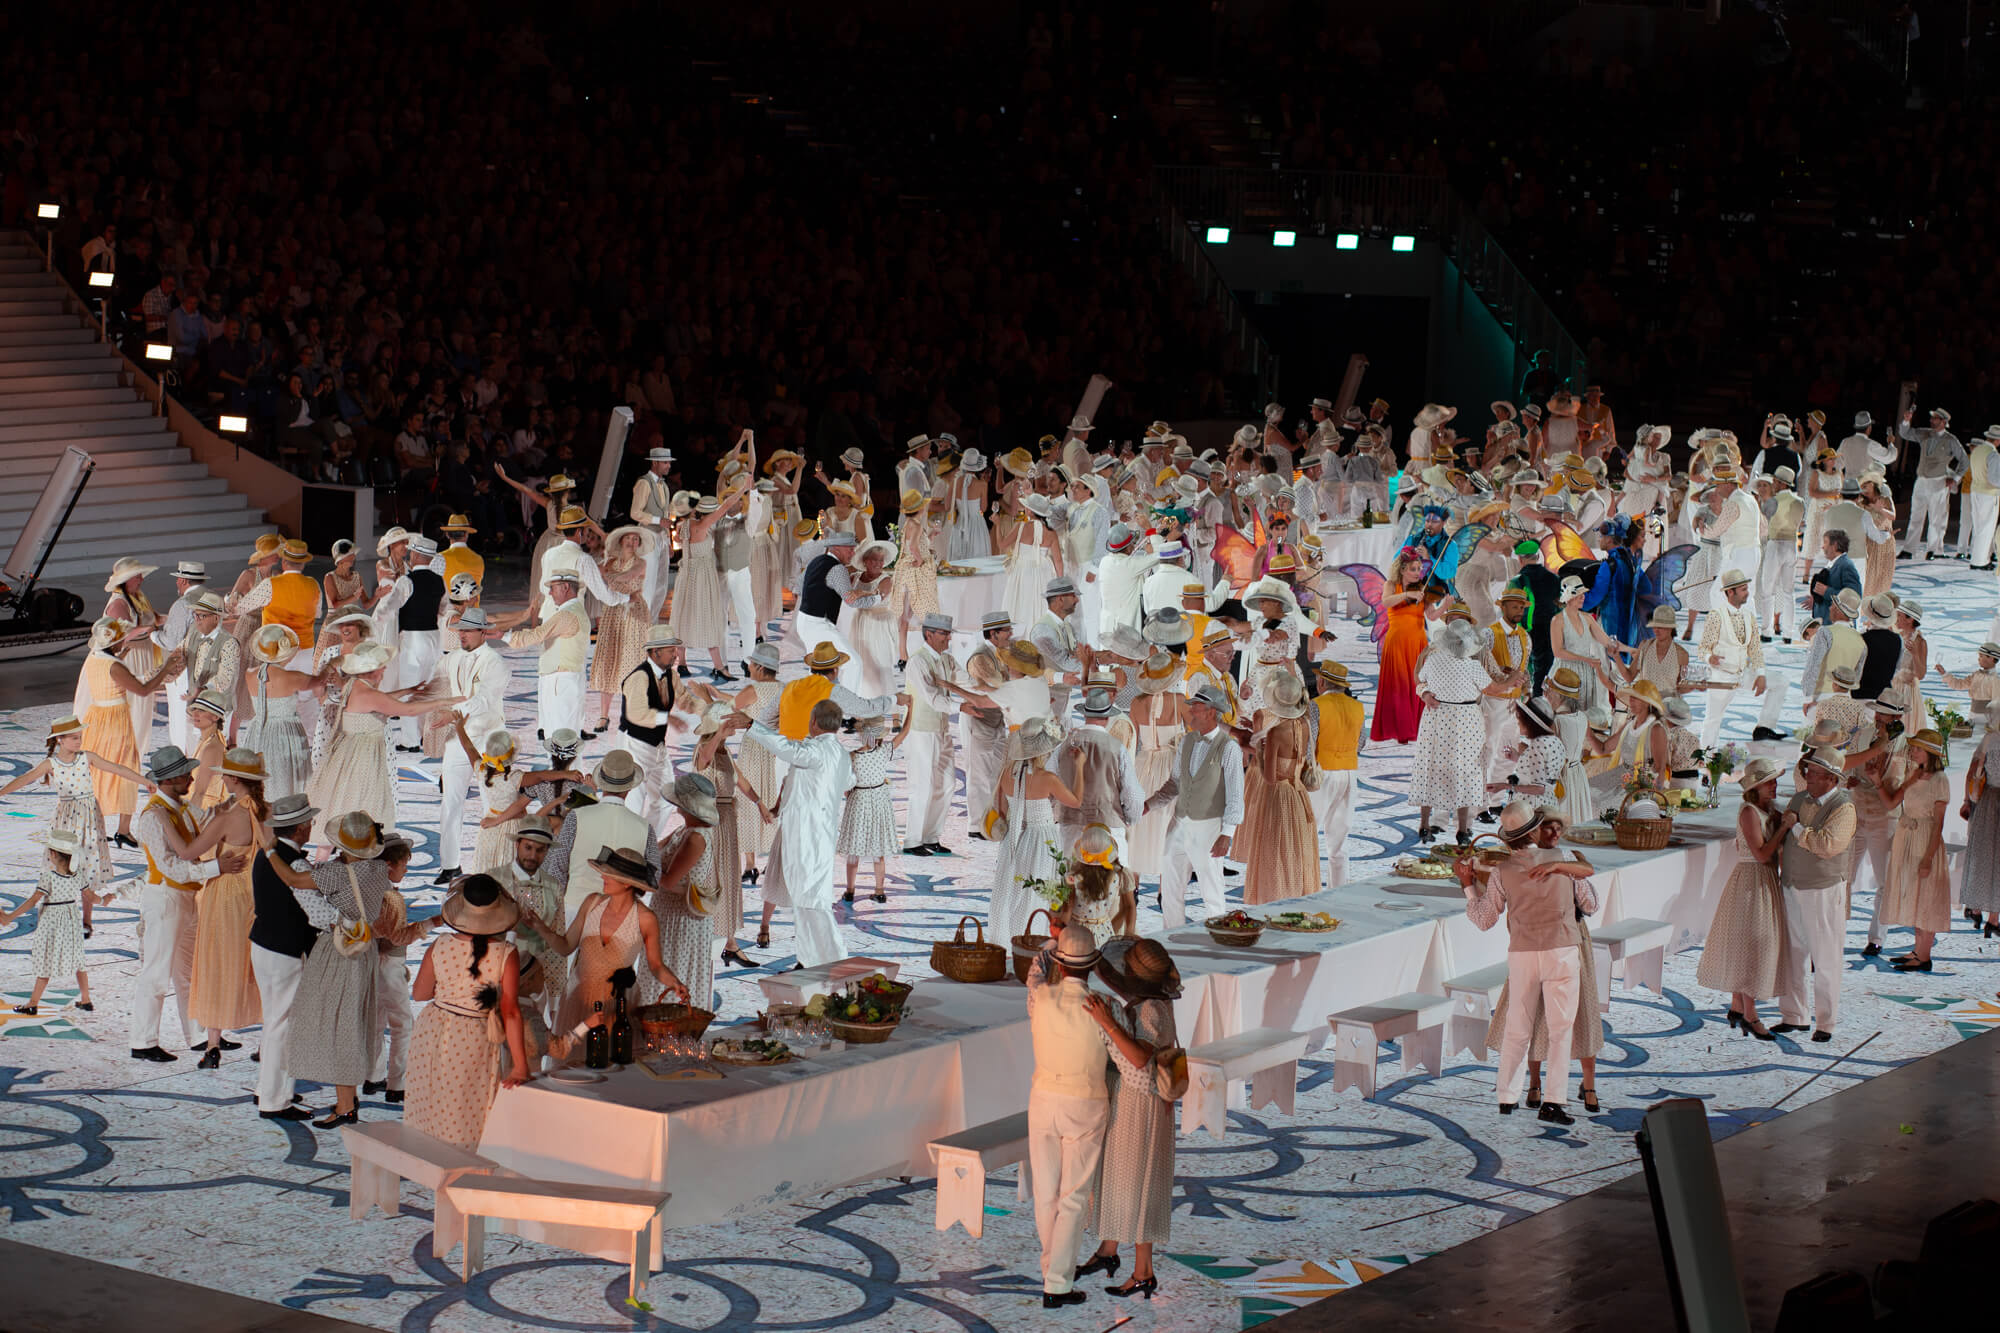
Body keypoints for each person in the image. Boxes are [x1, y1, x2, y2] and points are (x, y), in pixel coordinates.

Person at [1459, 801, 1600, 1124]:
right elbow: (1590, 904)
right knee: (1560, 1030)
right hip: (1563, 950)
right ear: (1536, 830)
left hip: (1522, 952)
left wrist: (1467, 884)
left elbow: (1483, 920)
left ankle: (1507, 1097)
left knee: (1518, 1027)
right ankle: (1554, 1102)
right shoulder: (1564, 860)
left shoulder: (1501, 871)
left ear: (1509, 839)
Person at [257, 811, 394, 1127]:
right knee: (352, 1021)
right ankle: (349, 1097)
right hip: (365, 948)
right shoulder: (377, 869)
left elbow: (292, 879)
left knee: (338, 1027)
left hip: (338, 951)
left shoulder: (338, 874)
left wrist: (269, 849)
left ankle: (346, 1106)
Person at [128, 745, 251, 1063]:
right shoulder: (153, 817)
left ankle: (200, 1036)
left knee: (190, 972)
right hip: (165, 898)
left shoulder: (181, 807)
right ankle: (143, 1042)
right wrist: (216, 868)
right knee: (156, 972)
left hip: (185, 897)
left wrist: (241, 792)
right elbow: (171, 866)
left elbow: (214, 817)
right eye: (185, 773)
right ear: (169, 781)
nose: (191, 776)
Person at [1076, 938, 1180, 1300]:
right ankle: (1108, 1251)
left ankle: (1143, 1272)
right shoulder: (1151, 1000)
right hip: (1135, 1101)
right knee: (1121, 1176)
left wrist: (1107, 1021)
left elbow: (1138, 1058)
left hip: (1142, 1105)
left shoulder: (1151, 1009)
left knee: (1139, 1182)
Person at [406, 873, 531, 1150]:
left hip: (433, 1030)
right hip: (474, 1035)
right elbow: (511, 1012)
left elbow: (420, 993)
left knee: (429, 1099)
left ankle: (427, 1163)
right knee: (464, 1107)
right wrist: (521, 1065)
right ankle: (461, 1170)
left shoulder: (440, 945)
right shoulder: (506, 953)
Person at [1023, 925, 1113, 1310]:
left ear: (1060, 963)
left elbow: (1035, 969)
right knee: (1073, 1199)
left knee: (1046, 1194)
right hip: (1086, 1101)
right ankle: (1057, 1282)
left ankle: (1053, 1273)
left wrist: (1050, 943)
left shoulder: (1039, 997)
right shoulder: (1101, 1005)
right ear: (1093, 965)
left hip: (1043, 1099)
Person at [741, 699, 855, 968]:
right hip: (821, 833)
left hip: (806, 836)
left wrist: (750, 725)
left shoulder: (814, 751)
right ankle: (808, 960)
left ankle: (835, 961)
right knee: (807, 899)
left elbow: (784, 747)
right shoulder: (840, 754)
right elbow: (848, 782)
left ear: (813, 722)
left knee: (812, 900)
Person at [544, 846, 690, 1031]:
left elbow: (656, 965)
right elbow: (565, 947)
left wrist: (675, 983)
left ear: (627, 883)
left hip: (618, 1006)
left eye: (609, 874)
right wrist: (541, 929)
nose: (603, 877)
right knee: (574, 1057)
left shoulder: (645, 919)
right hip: (578, 1000)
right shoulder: (592, 903)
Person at [1694, 757, 1788, 1040]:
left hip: (1766, 880)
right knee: (1753, 948)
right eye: (1769, 781)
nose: (1774, 785)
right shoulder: (1749, 812)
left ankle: (1738, 1005)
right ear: (1756, 787)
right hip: (1752, 881)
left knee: (1750, 945)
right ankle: (1751, 1014)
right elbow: (1760, 854)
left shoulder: (1767, 810)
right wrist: (1783, 829)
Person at [188, 750, 270, 1068]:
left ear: (234, 779)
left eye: (225, 774)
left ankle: (212, 1045)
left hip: (226, 896)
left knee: (218, 963)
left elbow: (190, 852)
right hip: (260, 894)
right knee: (260, 966)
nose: (221, 778)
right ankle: (266, 1043)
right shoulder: (270, 811)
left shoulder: (226, 817)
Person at [1144, 682, 1244, 928]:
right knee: (1170, 888)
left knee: (1212, 891)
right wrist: (1149, 804)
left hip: (1209, 827)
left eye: (1195, 708)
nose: (1189, 713)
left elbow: (1235, 795)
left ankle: (1217, 943)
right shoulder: (1186, 741)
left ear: (1211, 712)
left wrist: (1226, 834)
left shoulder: (1229, 748)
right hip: (1178, 824)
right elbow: (1175, 783)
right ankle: (1172, 938)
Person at [1774, 746, 1857, 1042]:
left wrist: (1795, 826)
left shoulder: (1844, 808)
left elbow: (1826, 845)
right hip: (1793, 885)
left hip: (1823, 889)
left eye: (1814, 772)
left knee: (1825, 958)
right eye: (1807, 770)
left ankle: (1826, 1023)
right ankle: (1794, 1015)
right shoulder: (1799, 798)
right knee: (1793, 953)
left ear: (1831, 780)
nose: (1807, 776)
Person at [1411, 620, 1510, 844]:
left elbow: (1419, 680)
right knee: (1467, 770)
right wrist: (1515, 679)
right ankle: (1463, 830)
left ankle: (1425, 825)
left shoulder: (1434, 660)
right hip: (1466, 720)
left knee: (1431, 766)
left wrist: (1425, 693)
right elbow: (1494, 689)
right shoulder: (1472, 666)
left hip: (1437, 718)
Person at [432, 605, 510, 882]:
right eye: (459, 630)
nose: (461, 635)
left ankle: (493, 865)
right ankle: (449, 864)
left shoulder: (495, 663)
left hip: (489, 739)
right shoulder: (452, 658)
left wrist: (453, 713)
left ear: (482, 632)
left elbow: (484, 700)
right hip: (458, 737)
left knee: (493, 803)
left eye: (466, 631)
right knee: (450, 800)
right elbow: (432, 684)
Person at [990, 717, 1081, 947]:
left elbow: (1002, 811)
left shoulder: (1006, 773)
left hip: (1014, 838)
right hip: (1041, 840)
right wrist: (1080, 767)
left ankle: (1013, 938)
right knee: (1040, 893)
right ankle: (1035, 940)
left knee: (1016, 887)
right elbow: (1076, 801)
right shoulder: (1047, 779)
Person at [1239, 673, 1319, 903]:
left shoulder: (1276, 732)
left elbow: (1270, 777)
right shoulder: (1303, 724)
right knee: (1296, 849)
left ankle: (1276, 894)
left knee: (1275, 850)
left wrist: (1261, 752)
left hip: (1277, 796)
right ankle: (1296, 891)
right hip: (1298, 793)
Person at [1877, 729, 1952, 971]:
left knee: (1927, 896)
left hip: (1924, 840)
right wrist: (1877, 783)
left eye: (1917, 748)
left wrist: (1928, 857)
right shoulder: (1913, 774)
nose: (1913, 752)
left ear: (1929, 752)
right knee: (1915, 895)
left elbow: (1938, 823)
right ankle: (1917, 950)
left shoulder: (1940, 780)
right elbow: (1891, 803)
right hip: (1907, 838)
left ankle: (1924, 956)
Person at [0, 830, 96, 1018]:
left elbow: (32, 901)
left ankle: (33, 1003)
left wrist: (10, 917)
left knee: (46, 961)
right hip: (71, 920)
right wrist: (108, 898)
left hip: (52, 922)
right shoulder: (77, 876)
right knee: (79, 959)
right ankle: (86, 999)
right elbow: (91, 897)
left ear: (52, 854)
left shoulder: (49, 877)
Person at [652, 774, 724, 1011]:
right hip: (669, 915)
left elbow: (669, 881)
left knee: (673, 971)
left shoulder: (695, 838)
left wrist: (637, 873)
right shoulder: (685, 830)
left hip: (679, 920)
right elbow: (652, 850)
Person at [497, 565, 593, 742]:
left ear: (565, 587)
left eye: (553, 587)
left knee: (560, 736)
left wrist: (502, 635)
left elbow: (536, 635)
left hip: (561, 680)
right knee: (563, 734)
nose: (550, 593)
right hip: (566, 678)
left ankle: (561, 768)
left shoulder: (566, 615)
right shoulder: (575, 611)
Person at [1055, 686, 1143, 862]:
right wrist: (1130, 819)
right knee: (1111, 882)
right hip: (1109, 824)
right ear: (1108, 716)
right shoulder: (1117, 748)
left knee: (1071, 882)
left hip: (1071, 823)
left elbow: (1050, 784)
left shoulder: (1064, 746)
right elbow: (1133, 794)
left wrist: (1057, 814)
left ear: (1085, 714)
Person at [900, 613, 959, 857]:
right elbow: (932, 698)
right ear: (929, 635)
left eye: (948, 633)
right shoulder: (917, 662)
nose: (948, 638)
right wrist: (963, 707)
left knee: (947, 783)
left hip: (941, 729)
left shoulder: (947, 659)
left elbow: (966, 682)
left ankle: (931, 836)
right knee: (922, 785)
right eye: (944, 634)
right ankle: (912, 841)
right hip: (921, 730)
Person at [837, 712, 909, 904]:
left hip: (858, 800)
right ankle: (879, 891)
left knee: (853, 850)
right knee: (879, 850)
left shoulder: (852, 756)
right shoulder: (884, 751)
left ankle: (850, 890)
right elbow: (904, 733)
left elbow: (845, 786)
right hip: (879, 800)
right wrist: (911, 709)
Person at [1696, 569, 1766, 749]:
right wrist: (1709, 658)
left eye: (1746, 587)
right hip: (1721, 677)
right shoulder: (1716, 615)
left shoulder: (1749, 615)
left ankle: (1765, 729)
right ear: (1730, 592)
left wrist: (1761, 674)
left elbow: (1755, 648)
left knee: (1780, 682)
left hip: (1744, 674)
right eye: (1743, 589)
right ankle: (1706, 759)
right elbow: (1702, 648)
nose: (1747, 592)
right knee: (1713, 720)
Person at [1896, 405, 1966, 559]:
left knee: (1936, 518)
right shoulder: (1925, 433)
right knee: (1915, 515)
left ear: (1943, 421)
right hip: (1921, 480)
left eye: (1935, 418)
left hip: (1938, 481)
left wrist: (1954, 479)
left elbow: (1964, 461)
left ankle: (1933, 550)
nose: (1932, 420)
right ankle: (1909, 549)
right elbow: (1906, 433)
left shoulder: (1951, 440)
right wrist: (1906, 421)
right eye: (1932, 418)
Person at [1960, 702, 2000, 934]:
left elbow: (1972, 772)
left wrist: (1967, 801)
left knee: (1982, 856)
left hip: (1987, 802)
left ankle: (1975, 907)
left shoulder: (1989, 740)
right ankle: (1994, 919)